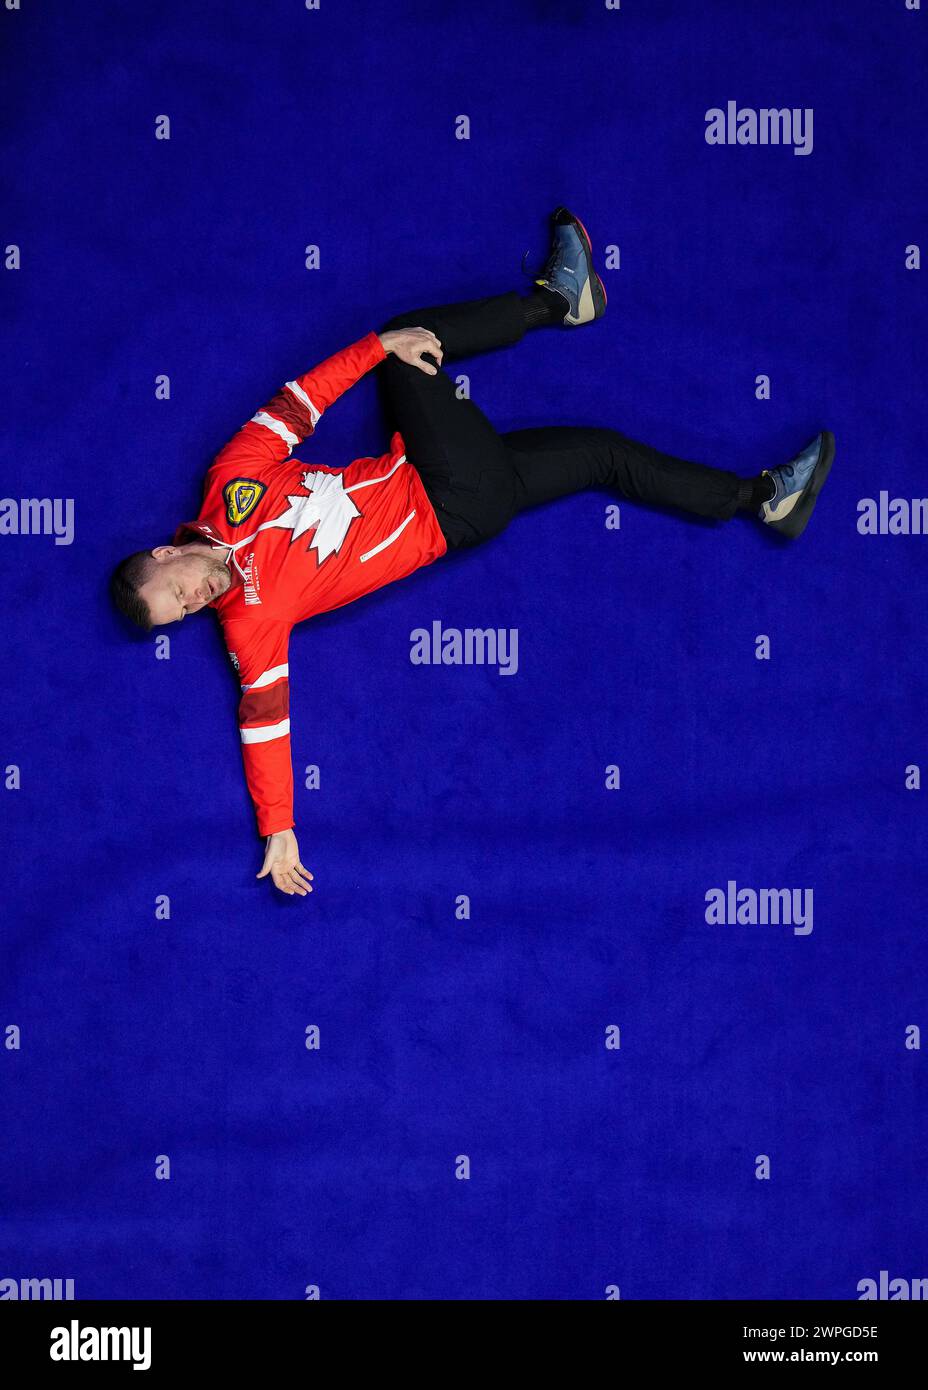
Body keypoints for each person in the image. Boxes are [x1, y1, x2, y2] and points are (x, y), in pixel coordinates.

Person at [110, 207, 835, 897]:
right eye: (181, 616)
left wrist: (369, 353)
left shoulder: (229, 479)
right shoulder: (249, 625)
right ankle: (558, 302)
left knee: (599, 453)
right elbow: (263, 720)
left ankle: (759, 498)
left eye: (175, 593)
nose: (193, 605)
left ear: (164, 554)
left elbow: (296, 404)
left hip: (440, 476)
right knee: (404, 339)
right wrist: (280, 830)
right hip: (450, 499)